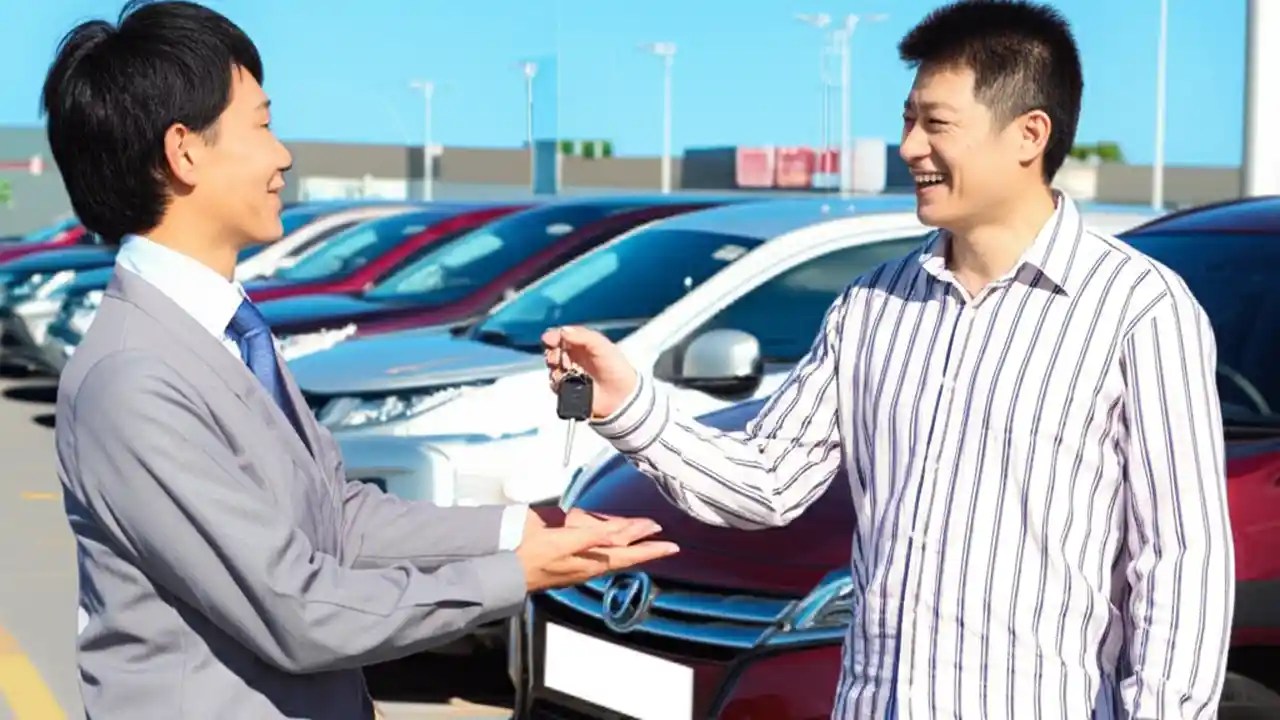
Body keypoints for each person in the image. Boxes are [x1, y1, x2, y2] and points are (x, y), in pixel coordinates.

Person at [544, 1, 1233, 718]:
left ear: (1030, 134)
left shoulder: (1139, 309)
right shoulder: (872, 304)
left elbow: (1181, 563)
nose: (908, 147)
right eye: (908, 119)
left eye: (936, 124)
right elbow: (768, 481)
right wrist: (626, 406)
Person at [44, 2, 677, 718]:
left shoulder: (227, 330)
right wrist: (513, 574)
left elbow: (337, 522)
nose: (283, 155)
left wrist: (520, 528)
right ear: (185, 150)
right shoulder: (134, 378)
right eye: (261, 124)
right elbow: (300, 610)